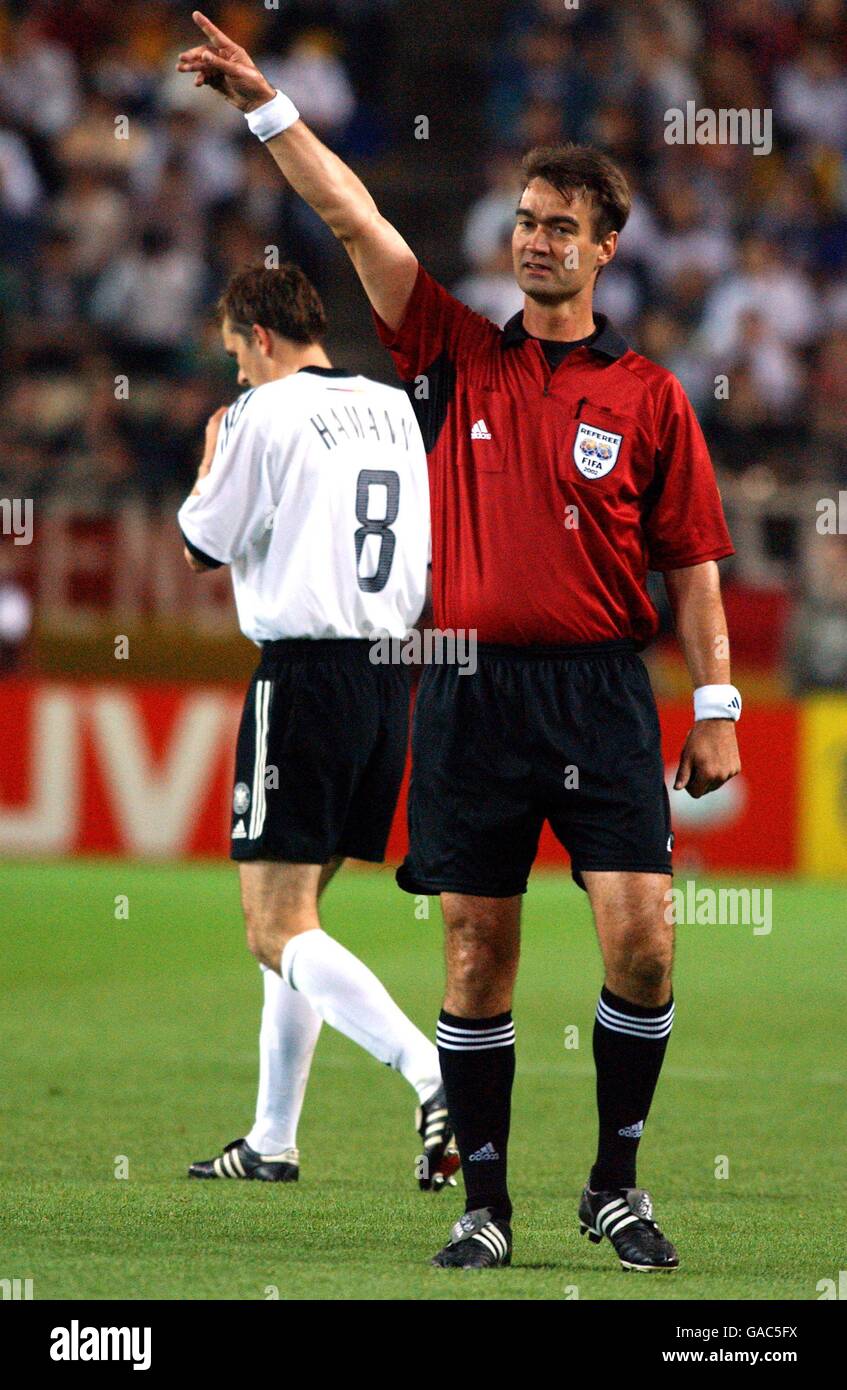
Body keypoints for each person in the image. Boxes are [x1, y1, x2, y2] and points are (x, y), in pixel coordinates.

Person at [178, 11, 742, 1272]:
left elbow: (694, 561)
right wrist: (267, 110)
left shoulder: (647, 396)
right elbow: (356, 223)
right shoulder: (450, 356)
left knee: (642, 938)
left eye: (560, 227)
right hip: (470, 692)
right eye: (525, 221)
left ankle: (613, 1182)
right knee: (476, 948)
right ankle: (483, 1202)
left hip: (601, 692)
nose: (534, 241)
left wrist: (718, 704)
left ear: (604, 249)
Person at [178, 261, 458, 1194]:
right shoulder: (390, 408)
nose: (235, 380)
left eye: (234, 360)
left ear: (260, 338)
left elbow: (200, 547)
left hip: (304, 677)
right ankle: (271, 1139)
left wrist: (212, 462)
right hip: (387, 681)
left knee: (272, 927)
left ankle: (431, 1073)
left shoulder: (265, 411)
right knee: (297, 915)